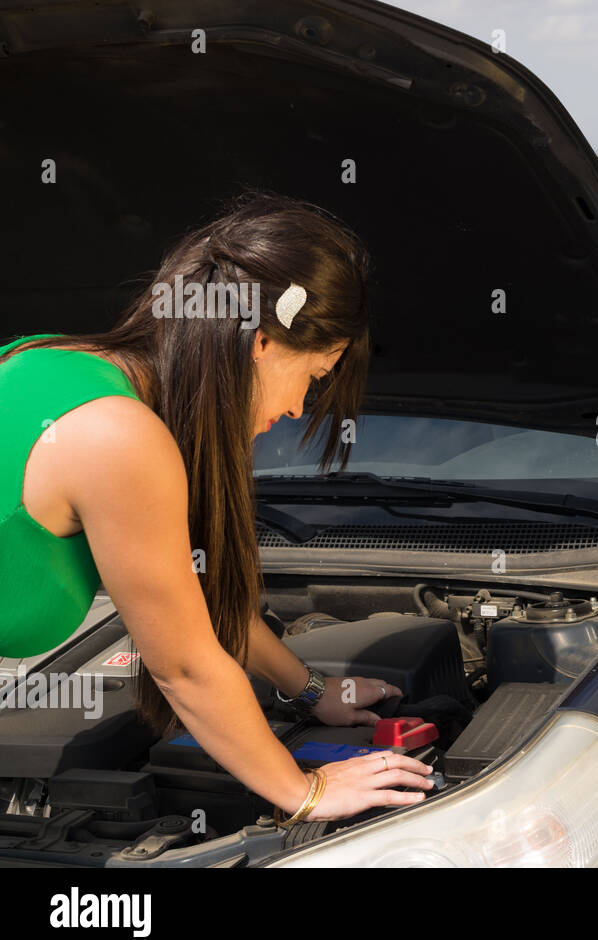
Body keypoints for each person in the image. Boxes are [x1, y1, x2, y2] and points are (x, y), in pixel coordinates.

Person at [0, 190, 431, 825]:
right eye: (314, 375)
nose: (294, 410)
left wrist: (312, 692)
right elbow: (185, 665)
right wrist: (306, 791)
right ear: (259, 342)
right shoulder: (117, 438)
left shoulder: (42, 361)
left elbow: (200, 600)